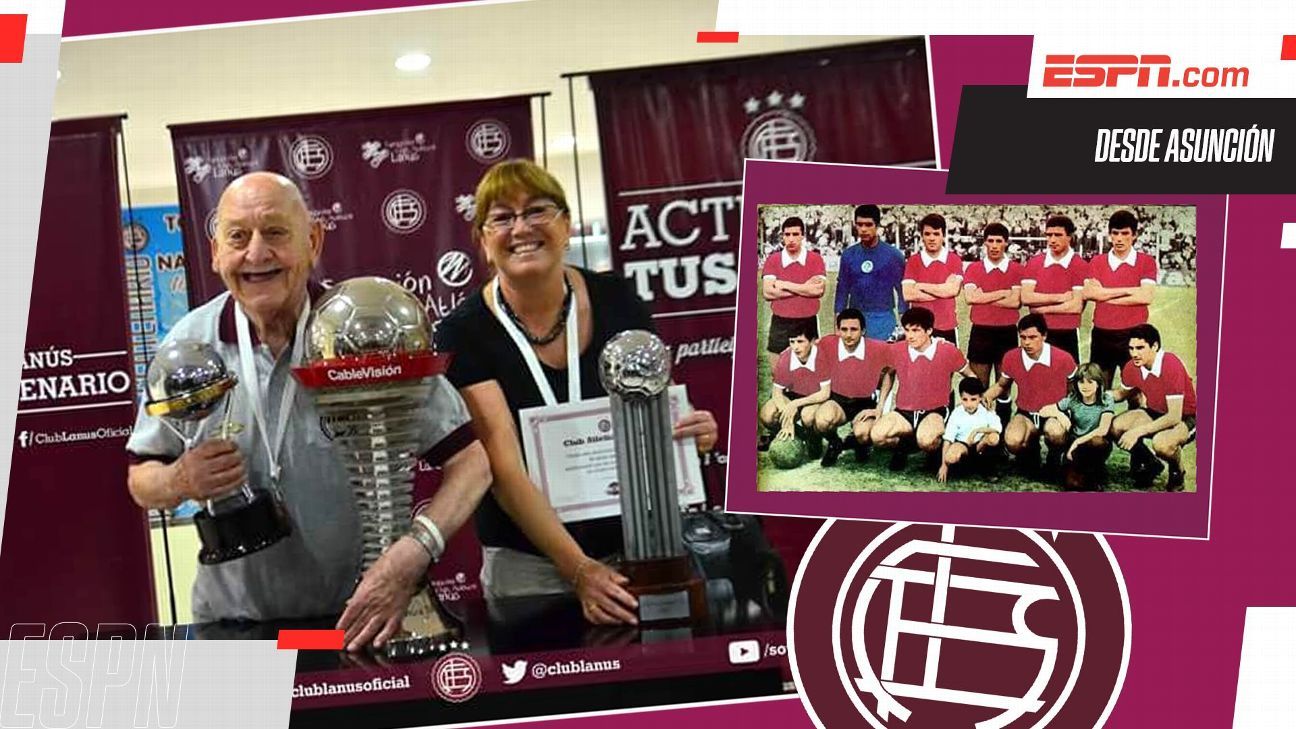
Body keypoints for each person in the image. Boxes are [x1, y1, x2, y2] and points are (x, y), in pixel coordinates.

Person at [126, 172, 492, 652]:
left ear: (312, 241)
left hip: (360, 624)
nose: (256, 253)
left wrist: (416, 549)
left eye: (276, 232)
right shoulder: (189, 345)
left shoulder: (364, 334)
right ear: (216, 253)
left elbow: (472, 464)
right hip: (239, 628)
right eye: (238, 237)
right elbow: (141, 477)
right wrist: (179, 481)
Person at [434, 159, 718, 625]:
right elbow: (502, 466)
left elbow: (652, 416)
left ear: (566, 225)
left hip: (640, 554)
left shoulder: (619, 301)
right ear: (483, 242)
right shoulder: (463, 333)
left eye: (537, 211)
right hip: (528, 572)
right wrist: (579, 569)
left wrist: (691, 432)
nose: (521, 228)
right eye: (501, 217)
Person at [871, 307, 975, 471]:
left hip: (935, 410)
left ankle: (934, 448)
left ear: (929, 330)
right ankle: (905, 446)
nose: (910, 335)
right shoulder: (897, 349)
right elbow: (889, 374)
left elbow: (970, 377)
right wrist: (880, 406)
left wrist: (969, 406)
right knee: (878, 436)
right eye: (907, 330)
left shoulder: (947, 350)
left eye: (916, 330)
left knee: (926, 440)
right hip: (904, 411)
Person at [985, 314, 1078, 476]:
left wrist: (1063, 413)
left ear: (1044, 335)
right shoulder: (1012, 357)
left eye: (1033, 337)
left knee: (1056, 433)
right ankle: (1030, 453)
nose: (1027, 342)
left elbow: (1073, 390)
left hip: (1054, 413)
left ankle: (1055, 455)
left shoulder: (1063, 358)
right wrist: (986, 397)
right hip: (1026, 412)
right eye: (1023, 337)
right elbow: (1002, 385)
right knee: (1012, 441)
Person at [1110, 324, 1196, 491]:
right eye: (1131, 348)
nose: (1134, 353)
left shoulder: (1171, 364)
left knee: (1161, 444)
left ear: (1155, 346)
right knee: (1115, 427)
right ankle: (1151, 463)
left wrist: (1137, 431)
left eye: (1140, 348)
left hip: (1185, 417)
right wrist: (1092, 392)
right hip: (1155, 412)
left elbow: (1174, 416)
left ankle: (1177, 470)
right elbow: (1121, 394)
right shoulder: (1132, 366)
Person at [1084, 210, 1158, 386]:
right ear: (1109, 235)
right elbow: (1089, 294)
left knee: (1136, 391)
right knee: (1099, 390)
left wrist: (1104, 294)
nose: (1119, 238)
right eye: (1115, 233)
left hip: (1135, 336)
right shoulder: (1097, 262)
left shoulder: (1146, 261)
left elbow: (1146, 296)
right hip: (1102, 335)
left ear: (1134, 236)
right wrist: (1131, 291)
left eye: (1125, 233)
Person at [812, 308, 894, 467]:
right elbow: (806, 351)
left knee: (863, 434)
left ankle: (859, 443)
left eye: (854, 329)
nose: (848, 334)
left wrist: (880, 407)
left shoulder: (878, 348)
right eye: (843, 329)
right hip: (838, 401)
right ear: (837, 330)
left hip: (864, 403)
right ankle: (835, 443)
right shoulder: (828, 343)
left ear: (863, 330)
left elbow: (891, 372)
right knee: (822, 421)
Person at [962, 223, 1024, 424]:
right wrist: (1002, 293)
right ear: (984, 243)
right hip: (981, 332)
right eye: (990, 241)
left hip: (1006, 333)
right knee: (977, 386)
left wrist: (985, 296)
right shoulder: (974, 268)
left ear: (1006, 243)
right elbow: (971, 298)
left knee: (1003, 386)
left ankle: (1003, 433)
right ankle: (977, 433)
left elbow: (1015, 302)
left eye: (999, 241)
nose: (995, 245)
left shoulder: (1015, 269)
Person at [1037, 363, 1116, 491]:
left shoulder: (1106, 399)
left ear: (1098, 383)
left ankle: (1096, 470)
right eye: (1081, 382)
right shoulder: (1073, 399)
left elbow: (1103, 429)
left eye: (1090, 382)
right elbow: (1043, 410)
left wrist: (1078, 442)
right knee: (1072, 485)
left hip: (1095, 444)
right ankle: (1072, 469)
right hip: (1076, 447)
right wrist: (1059, 414)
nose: (1085, 387)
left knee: (1097, 442)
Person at [762, 216, 827, 372]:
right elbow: (768, 292)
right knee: (777, 373)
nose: (791, 239)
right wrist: (804, 288)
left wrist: (785, 285)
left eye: (795, 234)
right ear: (782, 236)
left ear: (803, 236)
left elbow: (818, 291)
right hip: (780, 322)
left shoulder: (815, 259)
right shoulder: (773, 260)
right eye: (787, 234)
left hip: (807, 321)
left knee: (810, 372)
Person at [1021, 215, 1088, 362]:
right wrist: (1061, 298)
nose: (1052, 239)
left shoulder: (1080, 265)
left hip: (1067, 333)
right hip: (1037, 334)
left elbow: (1076, 306)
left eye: (1058, 235)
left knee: (1068, 381)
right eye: (1049, 235)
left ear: (1070, 237)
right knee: (1036, 380)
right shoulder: (1034, 262)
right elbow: (1026, 297)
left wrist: (1039, 309)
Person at [834, 205, 907, 340]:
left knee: (882, 360)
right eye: (860, 225)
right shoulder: (848, 255)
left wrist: (904, 325)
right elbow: (842, 291)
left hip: (883, 319)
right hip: (855, 319)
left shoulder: (893, 256)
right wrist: (838, 324)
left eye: (868, 225)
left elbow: (903, 293)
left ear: (877, 226)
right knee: (855, 360)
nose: (863, 229)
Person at [759, 324, 833, 454]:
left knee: (808, 416)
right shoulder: (785, 358)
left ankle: (814, 439)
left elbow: (825, 393)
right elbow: (777, 392)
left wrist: (795, 404)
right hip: (792, 394)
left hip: (815, 397)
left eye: (800, 341)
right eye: (792, 342)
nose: (795, 347)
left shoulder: (821, 356)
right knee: (767, 415)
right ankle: (800, 435)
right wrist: (787, 417)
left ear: (812, 341)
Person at [902, 213, 963, 345]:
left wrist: (920, 286)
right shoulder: (913, 261)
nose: (931, 238)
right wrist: (942, 290)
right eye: (927, 234)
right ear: (922, 236)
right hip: (918, 328)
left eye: (936, 234)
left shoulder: (954, 260)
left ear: (943, 235)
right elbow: (908, 294)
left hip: (946, 327)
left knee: (947, 365)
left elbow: (952, 290)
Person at [938, 377, 1003, 483]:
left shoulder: (986, 410)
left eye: (973, 399)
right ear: (960, 398)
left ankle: (987, 468)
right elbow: (948, 439)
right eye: (965, 399)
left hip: (980, 446)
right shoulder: (957, 413)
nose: (969, 404)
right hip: (964, 445)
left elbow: (997, 428)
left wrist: (976, 431)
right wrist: (944, 465)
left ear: (980, 398)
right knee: (950, 457)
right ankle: (967, 466)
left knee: (994, 437)